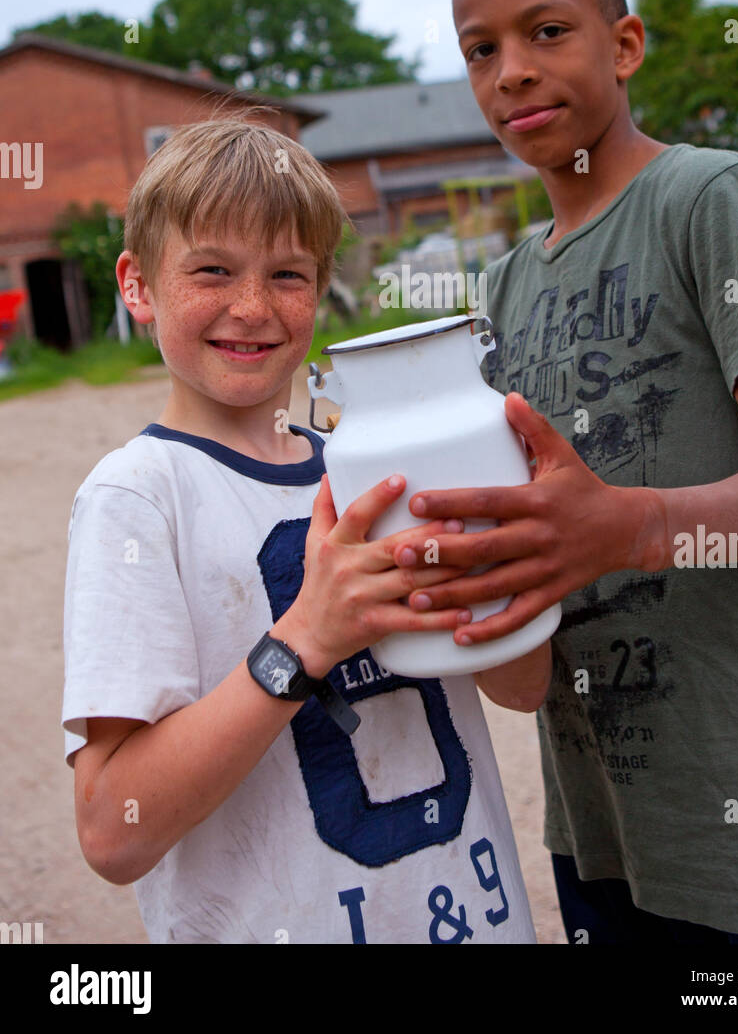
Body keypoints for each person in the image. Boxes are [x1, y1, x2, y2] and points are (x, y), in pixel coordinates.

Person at [385, 0, 738, 944]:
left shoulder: (707, 198)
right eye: (480, 49)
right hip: (597, 822)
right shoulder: (505, 284)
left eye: (545, 31)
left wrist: (629, 527)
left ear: (624, 44)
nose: (510, 70)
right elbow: (530, 554)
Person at [61, 115, 548, 945]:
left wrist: (501, 561)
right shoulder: (137, 498)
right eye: (211, 270)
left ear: (321, 292)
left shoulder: (364, 463)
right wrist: (304, 643)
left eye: (287, 274)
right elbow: (113, 831)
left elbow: (522, 687)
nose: (251, 307)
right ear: (136, 284)